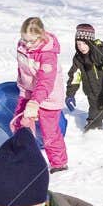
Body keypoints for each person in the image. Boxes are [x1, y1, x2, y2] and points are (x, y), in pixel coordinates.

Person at [13, 17, 68, 172]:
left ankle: (59, 164)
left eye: (32, 41)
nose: (27, 44)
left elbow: (45, 82)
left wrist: (35, 102)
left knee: (49, 132)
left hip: (48, 97)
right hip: (28, 91)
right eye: (25, 39)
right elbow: (22, 69)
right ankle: (23, 157)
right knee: (19, 124)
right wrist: (23, 85)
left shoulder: (48, 55)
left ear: (41, 35)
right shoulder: (22, 46)